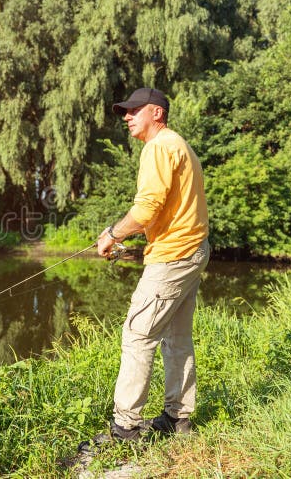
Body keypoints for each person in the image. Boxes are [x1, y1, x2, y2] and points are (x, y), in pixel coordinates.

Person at [93, 87, 210, 444]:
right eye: (124, 112)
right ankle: (178, 418)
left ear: (156, 113)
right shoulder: (179, 144)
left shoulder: (158, 147)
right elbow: (164, 210)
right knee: (176, 337)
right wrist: (136, 237)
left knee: (137, 335)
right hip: (191, 251)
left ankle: (125, 427)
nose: (126, 117)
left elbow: (146, 208)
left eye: (133, 110)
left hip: (173, 257)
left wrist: (112, 233)